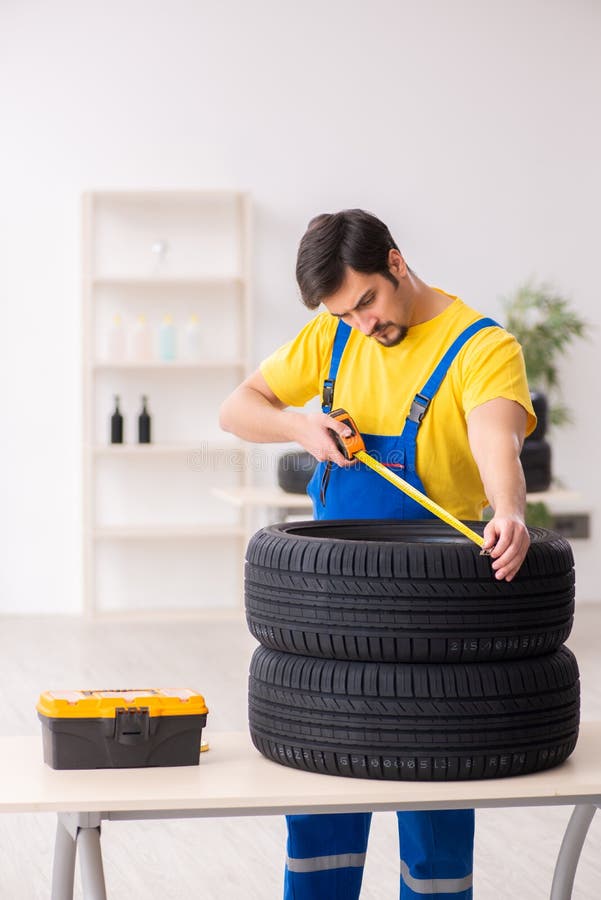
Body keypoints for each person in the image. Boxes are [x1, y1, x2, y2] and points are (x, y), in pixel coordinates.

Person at [220, 209, 535, 900]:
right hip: (330, 612)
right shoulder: (335, 334)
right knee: (321, 805)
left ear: (395, 262)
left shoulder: (480, 346)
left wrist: (507, 509)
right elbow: (237, 408)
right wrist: (296, 425)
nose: (362, 324)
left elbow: (495, 442)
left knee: (434, 808)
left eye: (366, 301)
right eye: (344, 313)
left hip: (438, 612)